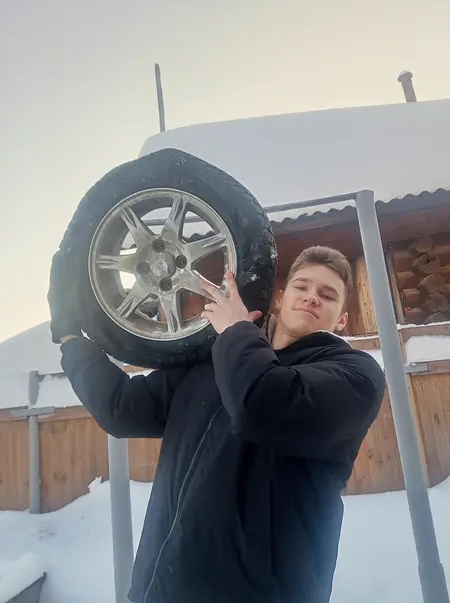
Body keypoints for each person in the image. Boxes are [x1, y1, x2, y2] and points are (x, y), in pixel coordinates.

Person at [48, 244, 385, 603]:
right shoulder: (216, 361)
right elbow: (121, 408)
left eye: (327, 295)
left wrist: (237, 331)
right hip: (162, 589)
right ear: (281, 298)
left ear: (341, 320)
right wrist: (71, 339)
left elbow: (261, 404)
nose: (311, 297)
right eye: (301, 286)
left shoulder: (355, 376)